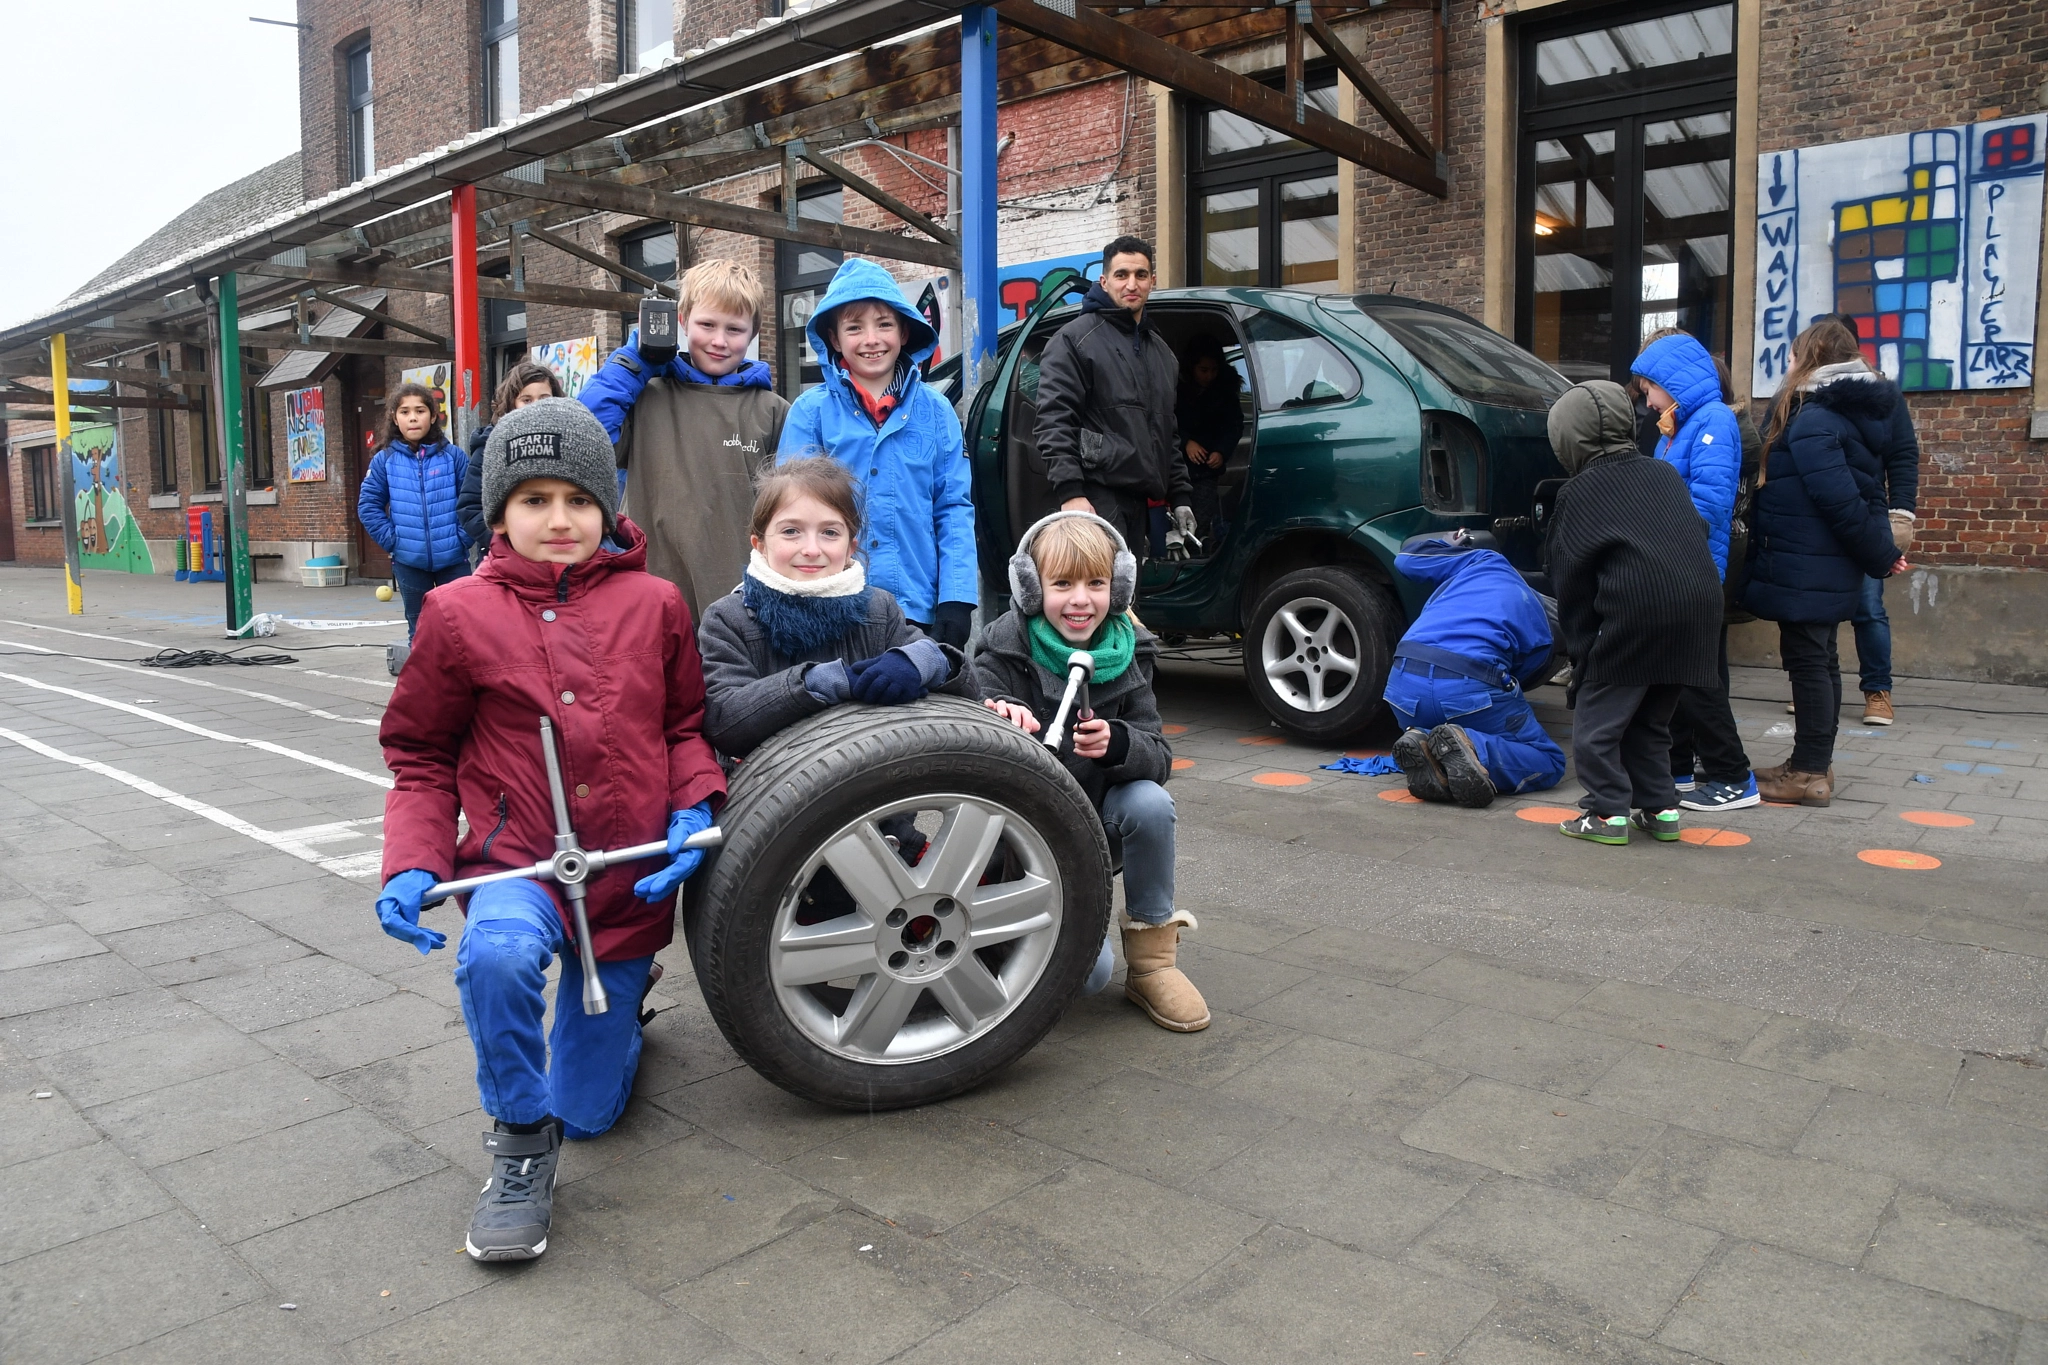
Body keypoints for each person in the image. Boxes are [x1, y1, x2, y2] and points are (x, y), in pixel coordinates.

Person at [373, 398, 724, 1263]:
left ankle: (615, 1024)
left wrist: (693, 805)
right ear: (499, 512)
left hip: (626, 870)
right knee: (494, 958)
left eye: (577, 498)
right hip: (514, 861)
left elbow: (684, 727)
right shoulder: (455, 614)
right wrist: (412, 861)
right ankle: (520, 1147)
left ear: (609, 505)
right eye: (532, 500)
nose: (558, 520)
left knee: (593, 1115)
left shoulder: (659, 604)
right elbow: (419, 753)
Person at [976, 511, 1206, 1031]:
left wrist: (1118, 741)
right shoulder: (1001, 648)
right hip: (1027, 837)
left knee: (1150, 802)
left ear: (1118, 587)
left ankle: (1153, 964)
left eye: (1096, 584)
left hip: (1098, 822)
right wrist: (1000, 713)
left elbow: (1159, 754)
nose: (1080, 600)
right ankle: (1012, 939)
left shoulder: (1130, 652)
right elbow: (970, 709)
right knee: (1088, 978)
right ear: (1032, 588)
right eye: (1062, 584)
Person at [697, 456, 977, 760]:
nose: (812, 549)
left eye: (830, 532)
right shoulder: (728, 618)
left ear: (850, 548)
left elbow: (968, 688)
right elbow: (725, 722)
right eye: (791, 531)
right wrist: (818, 683)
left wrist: (918, 661)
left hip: (876, 792)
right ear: (760, 544)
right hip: (773, 798)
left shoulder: (878, 609)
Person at [1545, 380, 1724, 845]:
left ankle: (1606, 813)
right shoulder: (1662, 474)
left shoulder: (1577, 493)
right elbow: (1694, 530)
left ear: (1566, 439)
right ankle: (1661, 809)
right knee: (1650, 720)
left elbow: (1572, 583)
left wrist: (1584, 655)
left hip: (1633, 610)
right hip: (1697, 612)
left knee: (1596, 726)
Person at [1742, 320, 1906, 806]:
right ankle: (1815, 763)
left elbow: (1840, 500)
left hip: (1807, 562)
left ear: (1809, 361)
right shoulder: (1849, 415)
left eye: (1792, 358)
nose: (1786, 367)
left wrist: (1882, 554)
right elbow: (1865, 492)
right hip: (1821, 561)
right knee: (1822, 660)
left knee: (1809, 663)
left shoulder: (1814, 419)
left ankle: (1808, 771)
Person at [776, 259, 977, 651]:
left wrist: (956, 598)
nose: (871, 339)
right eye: (854, 327)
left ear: (904, 331)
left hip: (916, 608)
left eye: (884, 324)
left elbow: (953, 508)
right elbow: (790, 512)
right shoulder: (809, 412)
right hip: (831, 603)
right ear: (834, 339)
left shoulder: (938, 413)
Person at [579, 259, 790, 623]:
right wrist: (632, 364)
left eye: (735, 329)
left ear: (753, 333)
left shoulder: (774, 412)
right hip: (649, 596)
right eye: (706, 324)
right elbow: (584, 440)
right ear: (682, 321)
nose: (719, 341)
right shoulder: (645, 397)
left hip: (745, 602)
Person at [1034, 236, 1197, 561]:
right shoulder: (1074, 340)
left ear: (1153, 281)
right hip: (1095, 494)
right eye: (1121, 275)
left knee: (1125, 598)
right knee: (1101, 597)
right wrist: (1072, 493)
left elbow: (1167, 432)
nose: (1131, 284)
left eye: (1140, 275)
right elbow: (1054, 422)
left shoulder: (1162, 353)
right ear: (1104, 281)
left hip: (1139, 500)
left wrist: (1180, 496)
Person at [1385, 530, 1566, 808]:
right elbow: (1530, 669)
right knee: (1549, 760)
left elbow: (1407, 560)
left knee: (1446, 717)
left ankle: (1423, 739)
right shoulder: (1535, 606)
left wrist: (1446, 540)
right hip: (1469, 685)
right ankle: (1474, 746)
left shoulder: (1476, 561)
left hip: (1402, 684)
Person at [1811, 312, 1919, 727]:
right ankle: (1819, 688)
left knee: (1868, 607)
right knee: (1819, 609)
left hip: (1868, 518)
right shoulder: (1803, 394)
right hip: (1820, 520)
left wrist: (1901, 513)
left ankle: (1878, 691)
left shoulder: (1882, 395)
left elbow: (1903, 455)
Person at [358, 381, 471, 639]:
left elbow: (473, 501)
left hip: (453, 561)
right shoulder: (384, 460)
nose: (413, 418)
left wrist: (462, 538)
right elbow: (368, 506)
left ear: (433, 416)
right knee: (420, 632)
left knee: (461, 630)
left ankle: (459, 681)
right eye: (405, 412)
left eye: (420, 411)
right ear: (395, 419)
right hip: (409, 563)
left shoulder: (454, 457)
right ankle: (424, 680)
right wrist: (395, 542)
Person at [456, 361, 562, 552]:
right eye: (527, 400)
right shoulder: (490, 447)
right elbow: (470, 508)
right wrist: (508, 543)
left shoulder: (568, 443)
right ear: (512, 403)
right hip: (507, 556)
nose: (536, 406)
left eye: (544, 398)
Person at [1174, 338, 1243, 547]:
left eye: (1213, 370)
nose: (1208, 375)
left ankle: (1197, 550)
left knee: (1201, 518)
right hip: (1176, 465)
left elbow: (1234, 426)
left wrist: (1221, 452)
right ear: (1191, 367)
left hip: (1207, 469)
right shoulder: (1177, 389)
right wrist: (1186, 442)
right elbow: (1167, 421)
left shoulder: (1225, 392)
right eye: (1203, 370)